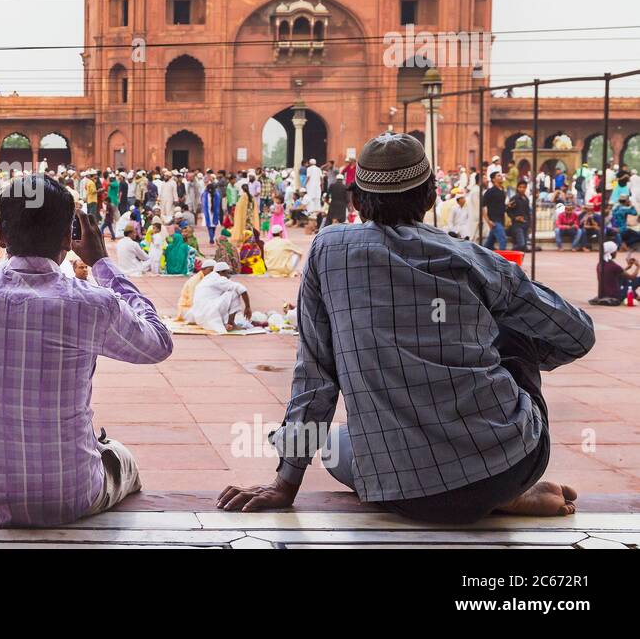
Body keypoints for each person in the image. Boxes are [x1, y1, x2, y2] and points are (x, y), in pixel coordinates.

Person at [218, 133, 594, 524]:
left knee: (336, 447)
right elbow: (577, 333)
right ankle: (502, 494)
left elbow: (315, 377)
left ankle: (485, 493)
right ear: (431, 197)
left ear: (357, 201)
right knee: (512, 325)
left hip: (402, 491)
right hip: (509, 465)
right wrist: (492, 350)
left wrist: (285, 483)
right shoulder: (475, 260)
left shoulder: (328, 251)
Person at [0, 174, 173, 526]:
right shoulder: (92, 304)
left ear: (1, 236)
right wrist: (101, 263)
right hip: (70, 498)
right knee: (122, 459)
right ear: (69, 239)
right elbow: (159, 344)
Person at [184, 261, 252, 332]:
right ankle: (231, 322)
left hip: (199, 316)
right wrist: (248, 307)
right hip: (208, 313)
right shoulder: (218, 278)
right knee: (234, 292)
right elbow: (242, 289)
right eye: (227, 273)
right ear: (221, 272)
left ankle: (226, 323)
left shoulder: (207, 278)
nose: (229, 276)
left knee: (227, 292)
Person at [481, 171, 508, 250]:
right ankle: (502, 260)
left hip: (501, 219)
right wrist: (488, 221)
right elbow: (482, 206)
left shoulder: (502, 190)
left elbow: (500, 205)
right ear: (493, 179)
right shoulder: (490, 191)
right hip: (494, 220)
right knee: (503, 240)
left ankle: (481, 254)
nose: (501, 177)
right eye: (498, 176)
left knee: (489, 243)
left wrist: (508, 205)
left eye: (501, 175)